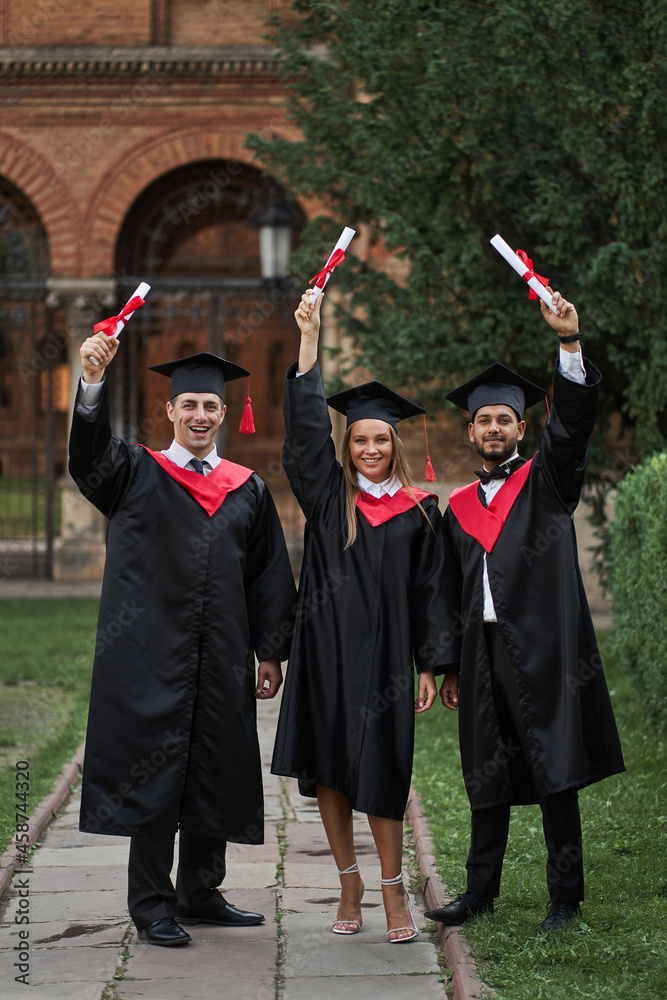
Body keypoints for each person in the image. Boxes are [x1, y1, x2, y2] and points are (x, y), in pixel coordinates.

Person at [69, 331, 296, 947]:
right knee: (153, 772)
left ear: (224, 413)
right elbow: (86, 459)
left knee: (215, 765)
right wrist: (91, 382)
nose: (200, 415)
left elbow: (267, 573)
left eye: (210, 406)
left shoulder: (246, 488)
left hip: (222, 653)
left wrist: (271, 650)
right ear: (169, 410)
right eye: (189, 404)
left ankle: (200, 892)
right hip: (149, 654)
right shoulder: (133, 471)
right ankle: (151, 905)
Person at [425, 289, 625, 934]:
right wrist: (449, 665)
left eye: (504, 420)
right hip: (482, 652)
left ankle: (565, 898)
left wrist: (569, 343)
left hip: (544, 649)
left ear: (520, 427)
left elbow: (571, 428)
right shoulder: (457, 508)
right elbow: (444, 593)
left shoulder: (547, 481)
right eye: (483, 420)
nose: (493, 429)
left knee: (554, 771)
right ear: (471, 431)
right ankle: (479, 891)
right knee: (485, 774)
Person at [271, 289, 452, 943]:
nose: (370, 448)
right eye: (359, 440)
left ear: (393, 443)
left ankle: (392, 889)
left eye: (379, 439)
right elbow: (303, 434)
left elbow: (432, 591)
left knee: (383, 769)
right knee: (328, 767)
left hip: (388, 661)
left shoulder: (421, 510)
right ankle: (348, 883)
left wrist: (430, 663)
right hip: (325, 653)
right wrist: (309, 340)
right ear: (346, 447)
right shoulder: (327, 497)